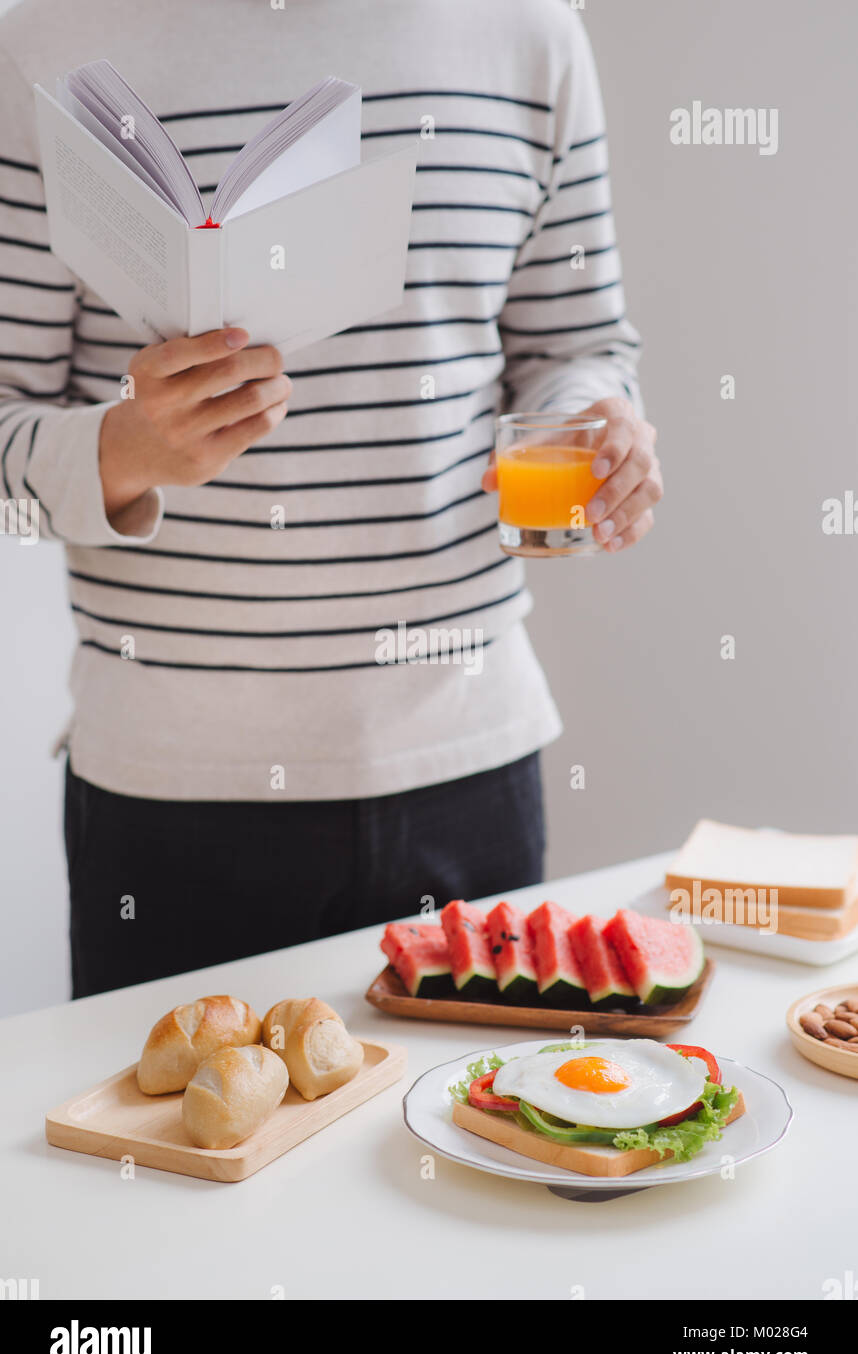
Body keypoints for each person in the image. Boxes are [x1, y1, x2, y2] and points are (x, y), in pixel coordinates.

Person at [0, 0, 662, 996]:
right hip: (170, 800)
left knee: (473, 1141)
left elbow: (573, 348)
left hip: (469, 767)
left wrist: (596, 423)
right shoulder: (43, 40)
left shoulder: (531, 33)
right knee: (184, 1152)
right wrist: (123, 449)